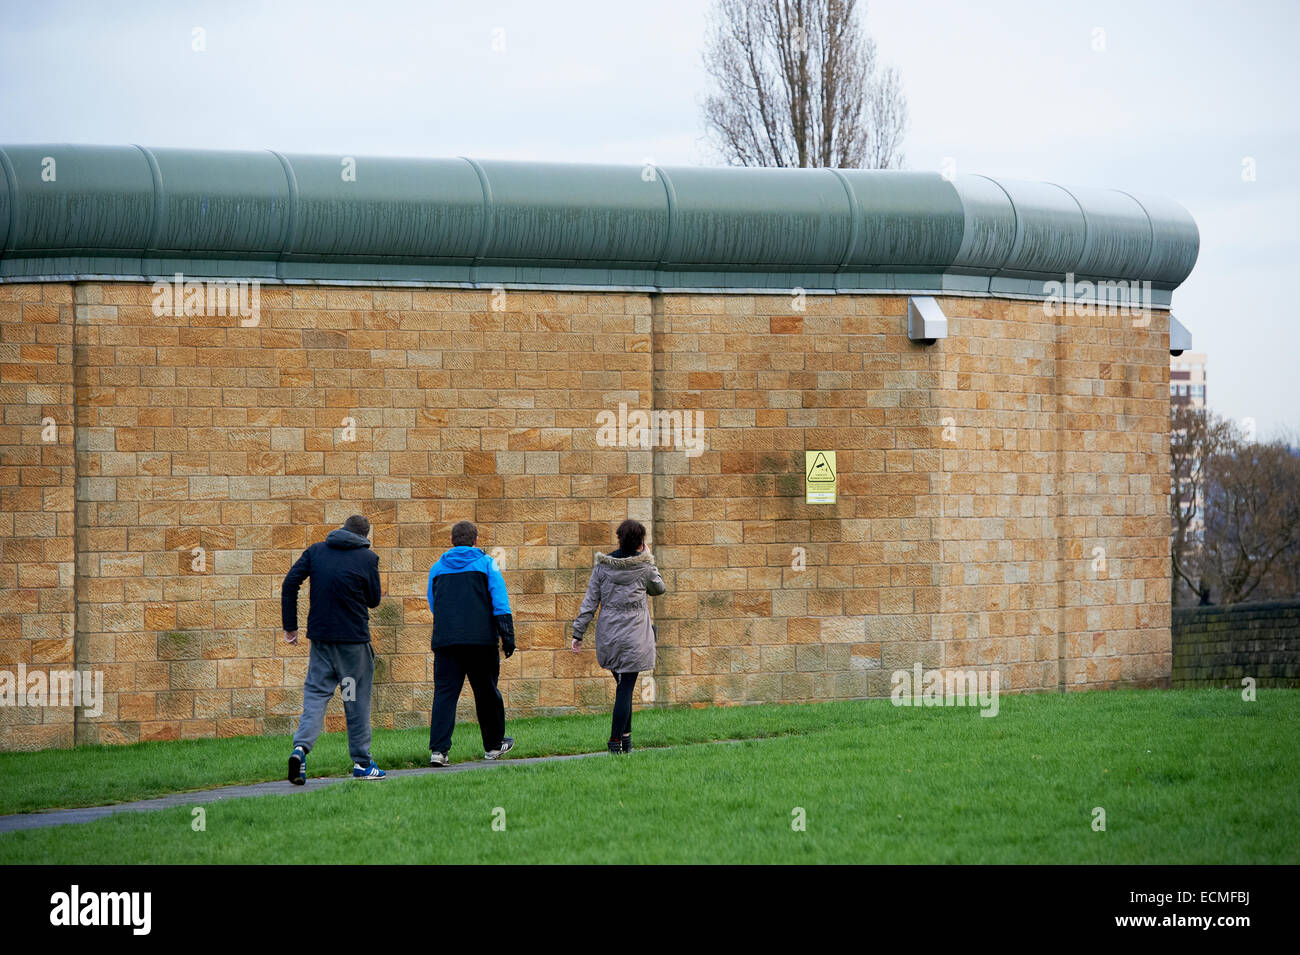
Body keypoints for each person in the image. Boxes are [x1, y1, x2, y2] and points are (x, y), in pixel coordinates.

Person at [281, 514, 386, 783]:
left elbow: (290, 582)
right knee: (354, 699)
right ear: (364, 537)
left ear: (342, 529)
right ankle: (362, 764)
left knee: (316, 696)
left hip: (322, 642)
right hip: (352, 646)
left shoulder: (316, 551)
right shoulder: (367, 558)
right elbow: (374, 601)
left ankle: (300, 750)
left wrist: (290, 627)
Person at [570, 519, 666, 754]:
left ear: (619, 538)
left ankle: (626, 739)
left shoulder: (603, 567)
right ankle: (615, 741)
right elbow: (659, 588)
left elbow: (590, 601)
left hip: (610, 636)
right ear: (641, 542)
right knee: (625, 688)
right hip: (635, 637)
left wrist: (578, 633)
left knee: (624, 686)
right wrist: (650, 560)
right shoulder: (644, 567)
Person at [426, 520, 516, 766]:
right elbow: (500, 603)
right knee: (487, 694)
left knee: (445, 695)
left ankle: (439, 751)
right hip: (481, 642)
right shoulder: (488, 564)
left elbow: (434, 603)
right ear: (476, 541)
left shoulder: (437, 568)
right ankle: (494, 746)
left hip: (446, 642)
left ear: (452, 542)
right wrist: (507, 637)